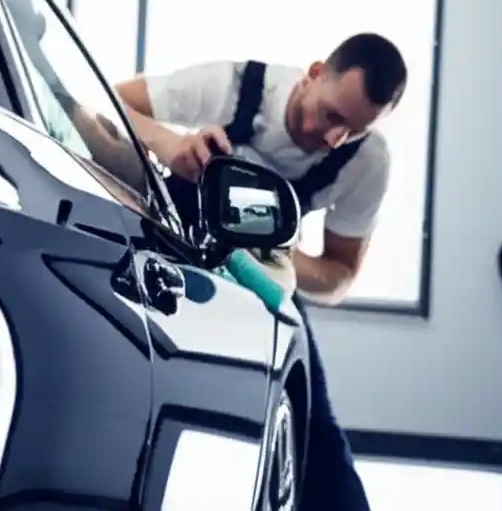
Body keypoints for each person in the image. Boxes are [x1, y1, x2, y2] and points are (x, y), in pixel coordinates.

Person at [115, 33, 408, 511]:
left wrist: (268, 249)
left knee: (316, 439)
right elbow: (109, 103)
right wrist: (173, 146)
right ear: (315, 73)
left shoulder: (367, 163)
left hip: (268, 286)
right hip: (176, 257)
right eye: (333, 116)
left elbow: (339, 275)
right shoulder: (232, 87)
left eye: (353, 130)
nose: (335, 138)